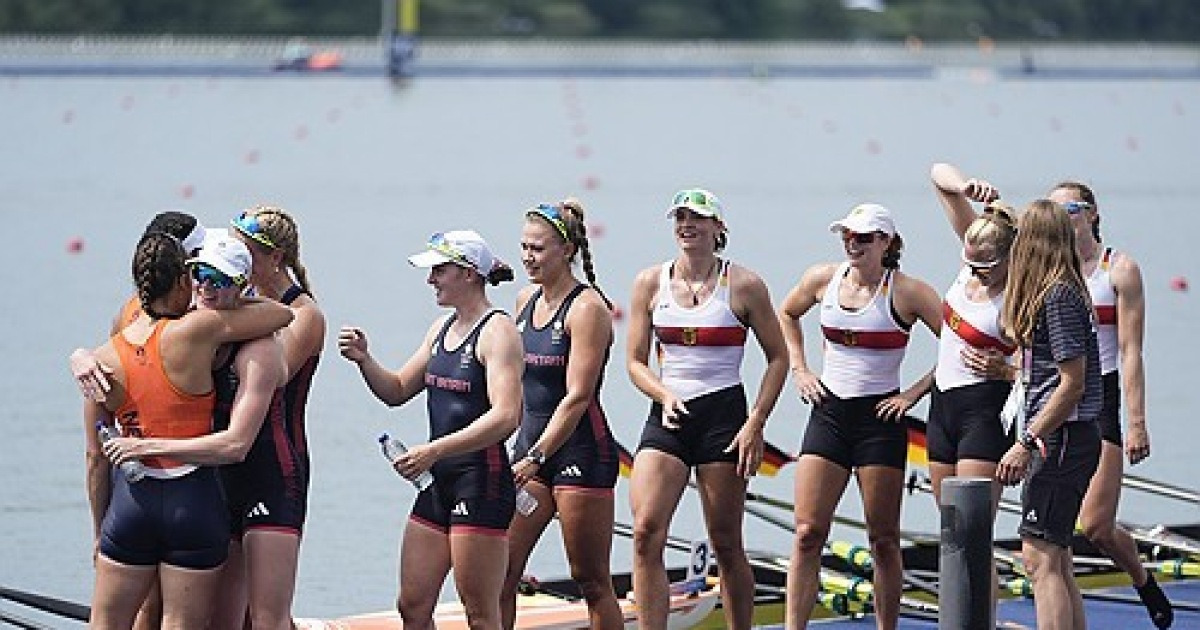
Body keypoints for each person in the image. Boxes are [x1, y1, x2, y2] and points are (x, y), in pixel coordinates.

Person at [78, 232, 292, 630]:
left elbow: (94, 458)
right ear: (182, 281)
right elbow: (283, 313)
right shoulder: (201, 331)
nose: (203, 287)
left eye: (214, 278)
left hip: (130, 507)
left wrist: (99, 531)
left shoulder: (101, 359)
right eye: (197, 277)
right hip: (192, 501)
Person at [338, 230, 523, 630]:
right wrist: (365, 360)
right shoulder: (441, 329)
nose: (431, 279)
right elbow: (398, 390)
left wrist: (435, 450)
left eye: (439, 270)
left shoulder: (498, 332)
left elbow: (507, 416)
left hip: (481, 482)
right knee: (413, 605)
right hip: (439, 484)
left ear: (470, 274)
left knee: (480, 615)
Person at [626, 188, 787, 630]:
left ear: (719, 228)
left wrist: (756, 423)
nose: (686, 225)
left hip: (725, 419)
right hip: (669, 414)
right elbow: (635, 362)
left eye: (697, 217)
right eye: (680, 217)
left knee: (726, 543)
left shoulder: (745, 285)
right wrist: (662, 395)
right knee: (644, 534)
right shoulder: (649, 283)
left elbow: (779, 357)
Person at [777, 203, 941, 630]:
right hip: (828, 414)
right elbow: (787, 313)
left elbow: (963, 344)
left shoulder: (907, 292)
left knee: (883, 539)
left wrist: (913, 393)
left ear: (886, 242)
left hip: (880, 422)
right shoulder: (822, 279)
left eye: (864, 237)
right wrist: (800, 368)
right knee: (808, 531)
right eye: (847, 236)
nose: (853, 244)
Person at [1047, 182, 1172, 628]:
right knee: (1053, 532)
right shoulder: (1047, 269)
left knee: (1096, 525)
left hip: (1101, 396)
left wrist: (1137, 422)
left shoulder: (1118, 269)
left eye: (1073, 209)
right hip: (1053, 397)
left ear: (1093, 214)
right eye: (1055, 210)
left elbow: (1131, 351)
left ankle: (1142, 579)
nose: (1065, 218)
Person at [501, 200, 623, 629]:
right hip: (529, 457)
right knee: (502, 574)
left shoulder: (587, 308)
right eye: (524, 247)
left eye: (537, 248)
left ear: (567, 249)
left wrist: (536, 455)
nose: (527, 257)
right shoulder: (522, 300)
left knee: (590, 580)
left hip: (580, 453)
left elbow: (576, 396)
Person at [995, 199, 1104, 630]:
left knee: (1039, 559)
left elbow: (1071, 383)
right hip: (1067, 438)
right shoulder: (1061, 290)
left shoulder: (1058, 297)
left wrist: (1026, 442)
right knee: (1056, 558)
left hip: (1062, 438)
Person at [218, 204, 326, 630]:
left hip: (276, 465)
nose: (236, 265)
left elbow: (276, 372)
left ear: (274, 257)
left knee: (266, 619)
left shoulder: (305, 314)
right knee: (225, 617)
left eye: (245, 254)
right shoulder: (231, 306)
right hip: (227, 463)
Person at [72, 210, 208, 402]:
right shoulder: (207, 320)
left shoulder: (126, 314)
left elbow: (99, 388)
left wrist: (81, 355)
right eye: (198, 257)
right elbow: (266, 315)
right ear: (181, 272)